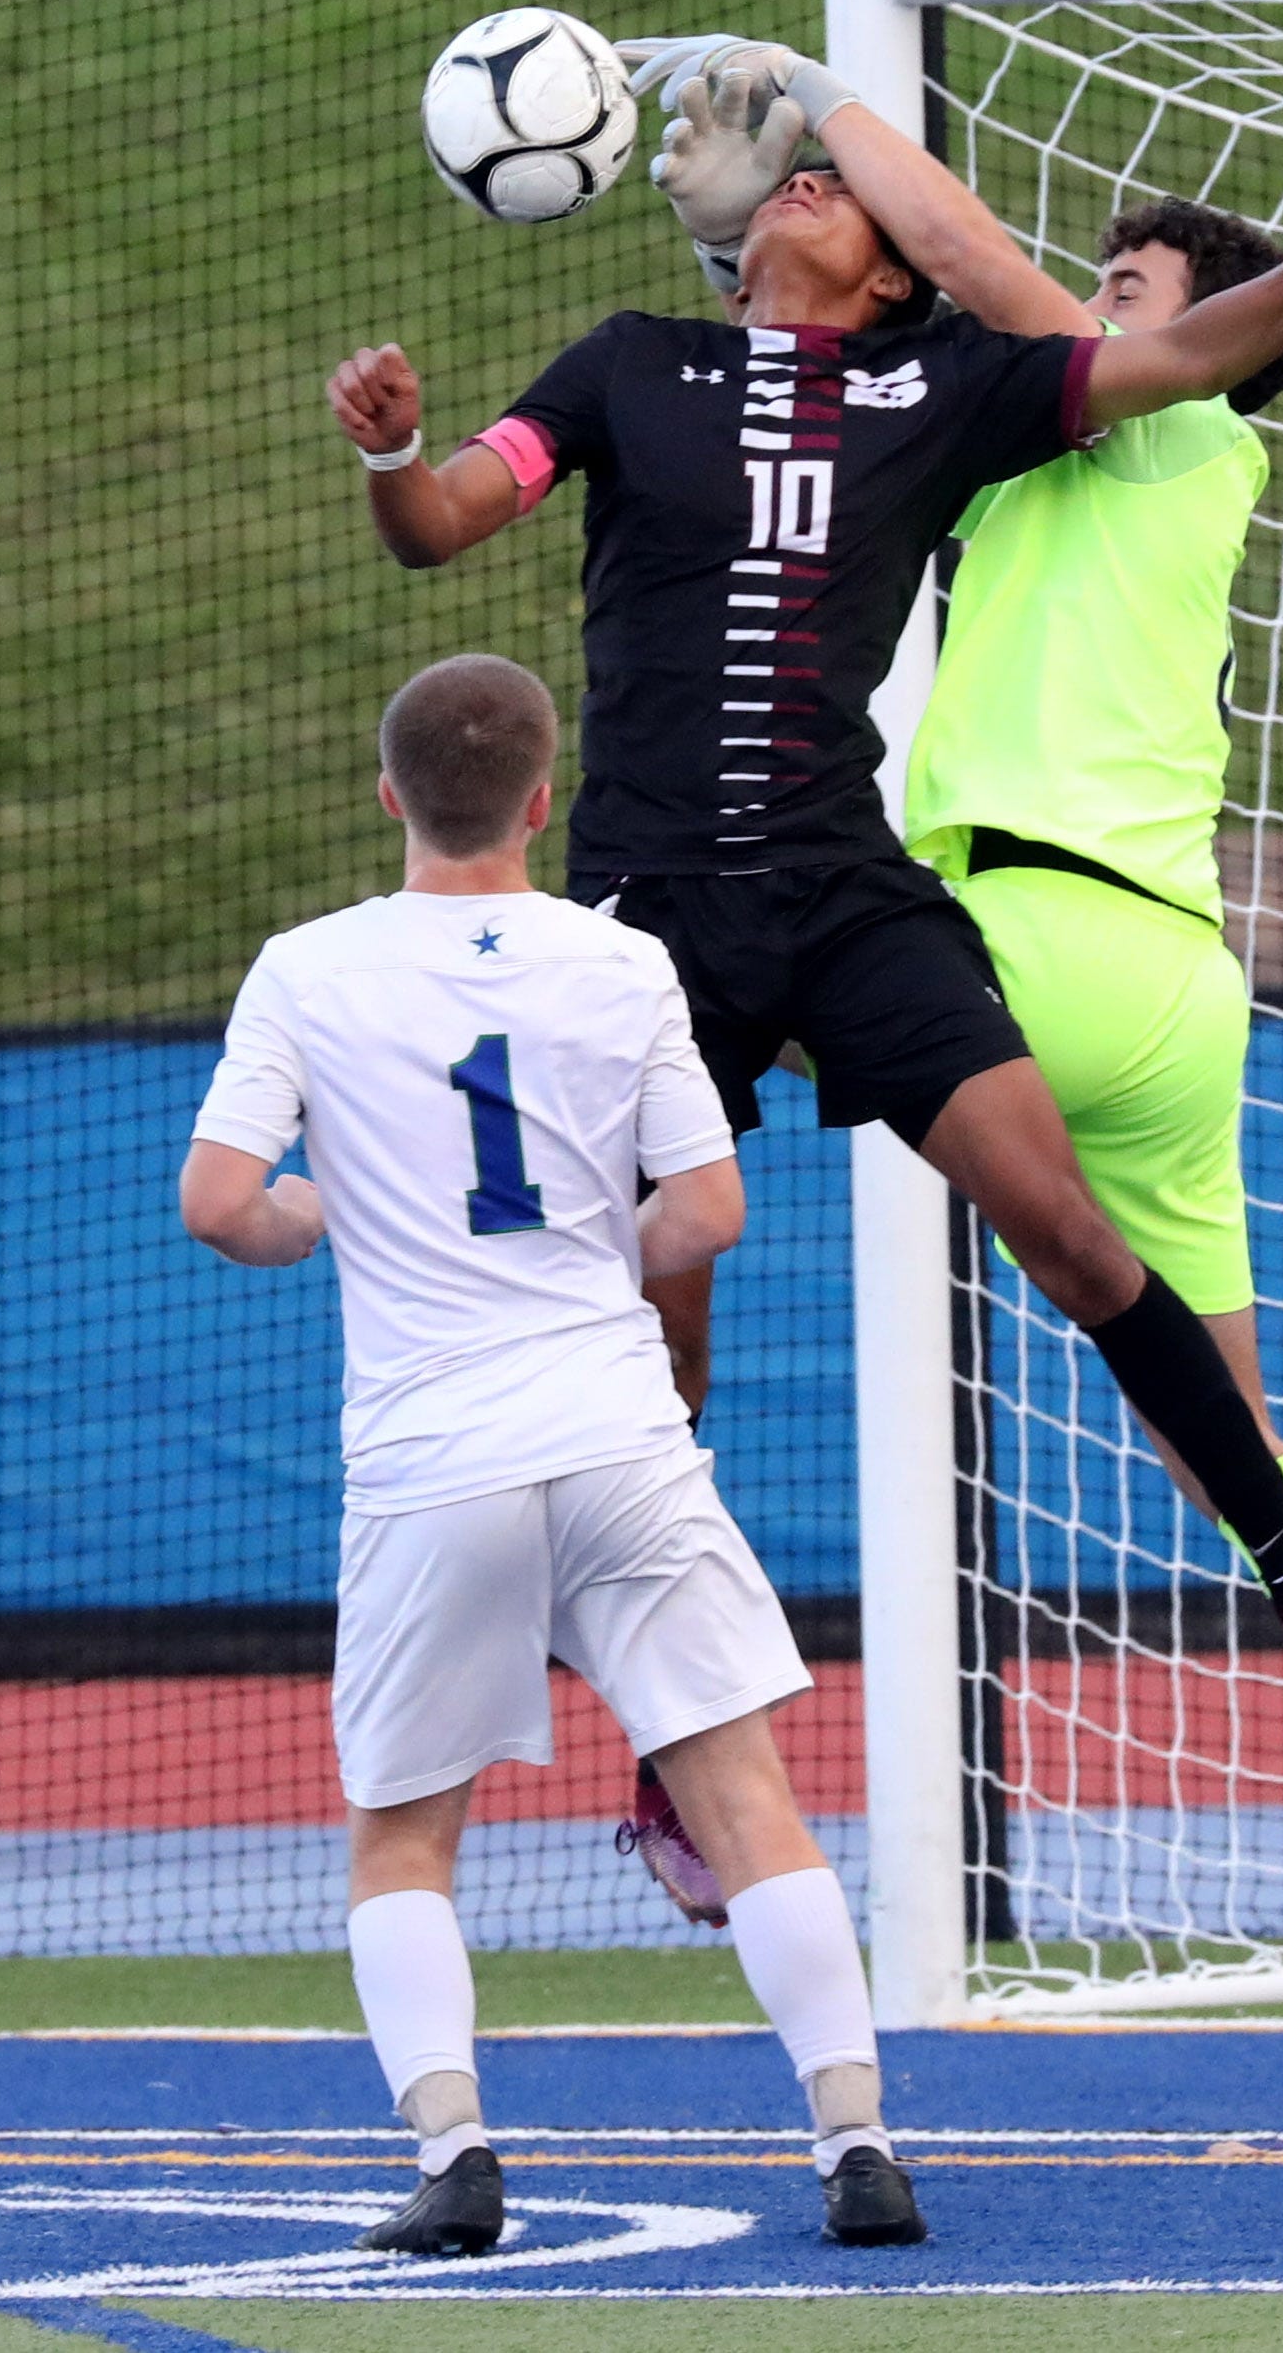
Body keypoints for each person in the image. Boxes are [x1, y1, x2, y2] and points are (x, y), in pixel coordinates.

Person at [325, 40, 1283, 1787]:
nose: (803, 180)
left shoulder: (949, 397)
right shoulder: (632, 367)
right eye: (794, 178)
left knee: (1067, 1231)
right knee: (655, 1328)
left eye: (832, 184)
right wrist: (392, 457)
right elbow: (444, 524)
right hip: (648, 911)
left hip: (850, 888)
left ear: (899, 275)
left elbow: (1185, 357)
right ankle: (674, 1754)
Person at [631, 65, 1283, 1965]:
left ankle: (675, 1762)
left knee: (679, 1024)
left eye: (1126, 286)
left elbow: (948, 257)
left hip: (1019, 928)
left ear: (1199, 339)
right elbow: (851, 356)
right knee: (1234, 1434)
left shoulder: (1165, 429)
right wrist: (748, 242)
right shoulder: (1069, 449)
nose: (1090, 296)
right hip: (1178, 986)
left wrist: (814, 105)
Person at [179, 654, 926, 2253]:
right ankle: (856, 2143)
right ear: (542, 801)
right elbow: (708, 1213)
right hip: (614, 1430)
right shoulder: (624, 961)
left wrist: (320, 1215)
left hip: (434, 1457)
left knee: (403, 1837)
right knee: (743, 1797)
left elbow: (220, 1201)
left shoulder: (307, 969)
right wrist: (596, 1256)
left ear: (390, 795)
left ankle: (455, 2160)